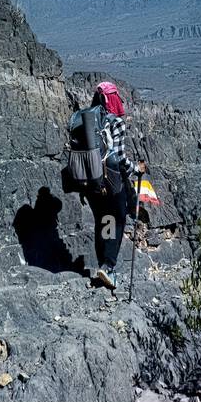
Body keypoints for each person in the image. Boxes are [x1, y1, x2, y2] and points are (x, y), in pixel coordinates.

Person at [86, 81, 145, 290]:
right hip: (110, 180)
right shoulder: (115, 121)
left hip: (90, 183)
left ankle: (102, 263)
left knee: (102, 220)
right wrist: (135, 169)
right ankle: (108, 266)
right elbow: (118, 156)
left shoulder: (87, 118)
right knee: (117, 219)